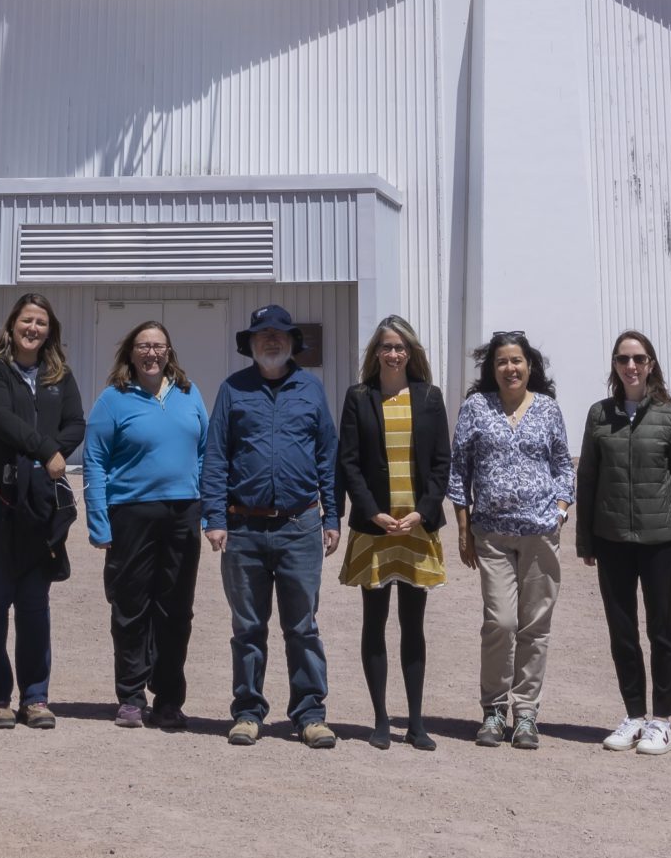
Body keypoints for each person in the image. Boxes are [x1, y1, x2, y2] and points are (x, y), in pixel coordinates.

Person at [200, 303, 341, 748]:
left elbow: (327, 456)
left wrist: (332, 516)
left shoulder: (311, 390)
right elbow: (216, 456)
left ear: (292, 342)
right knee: (248, 627)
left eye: (280, 334)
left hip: (300, 525)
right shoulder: (232, 390)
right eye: (263, 335)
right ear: (252, 344)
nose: (272, 341)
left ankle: (309, 713)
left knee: (302, 626)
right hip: (243, 528)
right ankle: (246, 711)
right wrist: (215, 518)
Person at [447, 328, 575, 750]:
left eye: (517, 360)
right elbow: (458, 471)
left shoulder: (548, 410)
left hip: (540, 533)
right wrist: (463, 529)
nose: (510, 368)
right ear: (492, 368)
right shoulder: (475, 409)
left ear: (530, 366)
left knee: (535, 627)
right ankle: (492, 710)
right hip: (492, 534)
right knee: (500, 622)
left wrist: (559, 510)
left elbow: (563, 465)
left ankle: (525, 715)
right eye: (502, 361)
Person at [576, 328, 671, 756]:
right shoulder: (599, 415)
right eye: (623, 359)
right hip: (612, 540)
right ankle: (633, 714)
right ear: (614, 366)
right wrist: (585, 541)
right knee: (622, 631)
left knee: (661, 630)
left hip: (660, 542)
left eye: (639, 359)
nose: (631, 366)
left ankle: (661, 720)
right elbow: (587, 479)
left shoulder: (670, 417)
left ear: (651, 365)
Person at [0, 294, 85, 730]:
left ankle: (35, 697)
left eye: (41, 322)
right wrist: (46, 450)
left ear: (49, 330)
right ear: (12, 324)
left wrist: (46, 457)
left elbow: (76, 423)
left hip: (39, 501)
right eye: (26, 320)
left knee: (34, 599)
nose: (33, 328)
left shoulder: (59, 375)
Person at [82, 317, 209, 731]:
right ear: (130, 354)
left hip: (182, 514)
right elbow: (95, 462)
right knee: (131, 608)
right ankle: (132, 696)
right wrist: (99, 522)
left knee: (176, 610)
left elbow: (207, 453)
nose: (151, 353)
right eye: (143, 346)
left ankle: (169, 698)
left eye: (158, 346)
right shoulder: (113, 400)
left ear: (169, 352)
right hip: (131, 514)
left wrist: (209, 510)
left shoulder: (190, 396)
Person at [337, 315, 451, 751]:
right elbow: (347, 461)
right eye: (386, 346)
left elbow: (441, 462)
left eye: (400, 347)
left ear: (411, 353)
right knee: (374, 622)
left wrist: (424, 511)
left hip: (416, 528)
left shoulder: (429, 397)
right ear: (376, 352)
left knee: (413, 625)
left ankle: (416, 721)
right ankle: (381, 719)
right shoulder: (358, 397)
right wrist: (372, 511)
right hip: (376, 528)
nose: (393, 354)